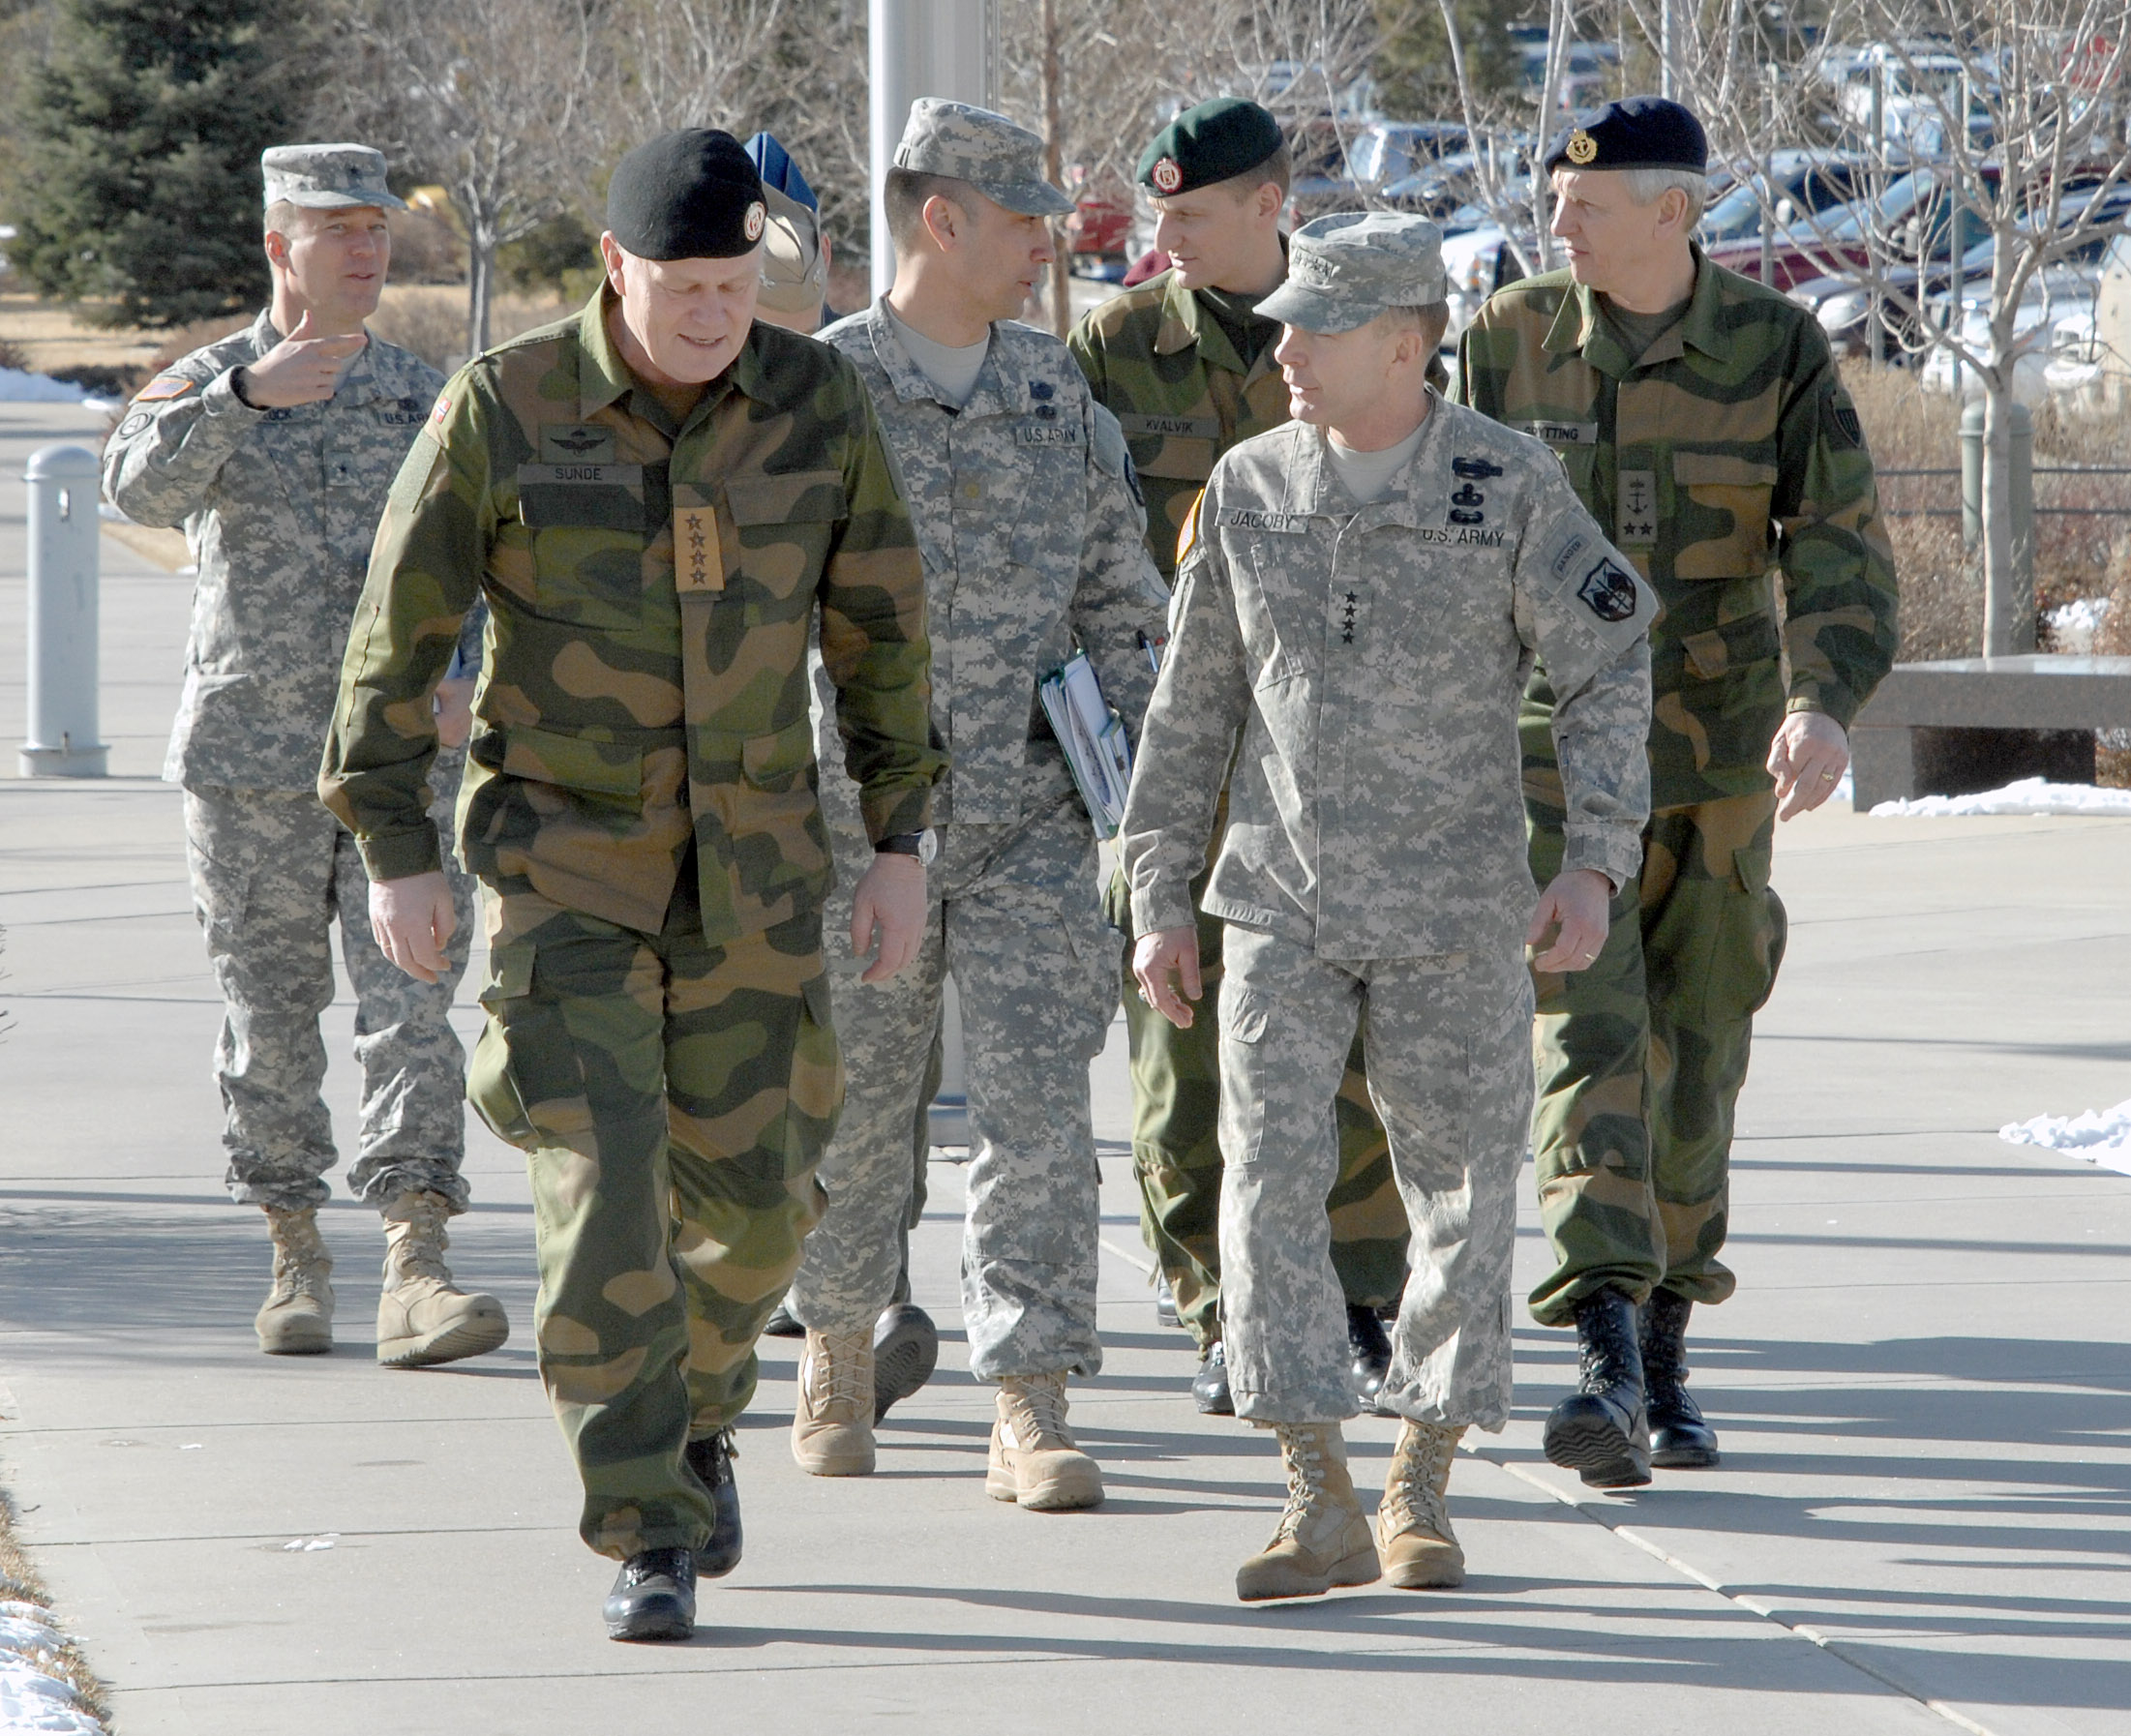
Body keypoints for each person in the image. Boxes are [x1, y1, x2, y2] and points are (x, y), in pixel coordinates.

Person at [318, 128, 944, 1641]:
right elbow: (396, 641)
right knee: (603, 1209)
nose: (715, 313)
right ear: (614, 268)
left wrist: (901, 845)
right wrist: (398, 853)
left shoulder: (815, 400)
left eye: (736, 285)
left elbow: (881, 631)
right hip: (567, 877)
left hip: (757, 877)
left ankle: (704, 1412)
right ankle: (646, 1522)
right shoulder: (508, 407)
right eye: (685, 286)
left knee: (755, 1214)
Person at [1122, 212, 1656, 1601]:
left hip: (1455, 906)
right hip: (1278, 902)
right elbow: (1189, 711)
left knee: (1464, 1200)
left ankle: (1421, 1478)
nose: (1280, 345)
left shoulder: (1507, 482)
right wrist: (1155, 895)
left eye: (1314, 325)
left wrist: (1592, 857)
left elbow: (1606, 660)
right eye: (1281, 320)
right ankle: (1314, 1488)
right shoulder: (1247, 488)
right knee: (1262, 1193)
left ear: (1404, 341)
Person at [1455, 97, 1898, 1487]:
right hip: (1546, 763)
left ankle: (1662, 1343)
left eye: (1585, 202)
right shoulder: (1507, 338)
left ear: (1672, 211)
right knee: (1585, 1040)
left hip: (1712, 767)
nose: (1553, 220)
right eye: (1551, 199)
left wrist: (1822, 699)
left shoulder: (1771, 350)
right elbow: (1441, 533)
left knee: (1694, 1057)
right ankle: (1598, 1354)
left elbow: (1834, 543)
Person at [778, 99, 1164, 1507]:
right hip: (851, 828)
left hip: (1028, 823)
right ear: (941, 219)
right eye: (1021, 223)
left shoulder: (1055, 391)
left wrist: (1156, 789)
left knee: (1035, 1117)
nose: (1043, 251)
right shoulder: (814, 391)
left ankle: (1030, 1394)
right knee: (857, 1109)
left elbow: (1120, 599)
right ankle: (830, 1346)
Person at [103, 143, 505, 1369]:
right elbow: (131, 490)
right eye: (340, 230)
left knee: (413, 1009)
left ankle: (415, 1264)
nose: (369, 250)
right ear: (282, 246)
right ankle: (293, 1249)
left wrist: (464, 676)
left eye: (377, 228)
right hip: (252, 760)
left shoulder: (422, 394)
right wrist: (243, 403)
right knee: (269, 1015)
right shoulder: (211, 380)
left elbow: (486, 548)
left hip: (400, 769)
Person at [1068, 97, 1412, 1418]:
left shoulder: (1358, 329)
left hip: (1336, 753)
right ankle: (1219, 1304)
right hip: (1178, 756)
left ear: (1271, 206)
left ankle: (1360, 1298)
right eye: (1156, 211)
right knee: (1182, 1046)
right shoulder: (1111, 350)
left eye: (1191, 213)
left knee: (1346, 1043)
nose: (1162, 234)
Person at [743, 129, 945, 1425]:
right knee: (773, 1067)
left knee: (879, 1066)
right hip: (745, 806)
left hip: (860, 793)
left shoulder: (857, 393)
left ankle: (855, 1297)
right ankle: (807, 1289)